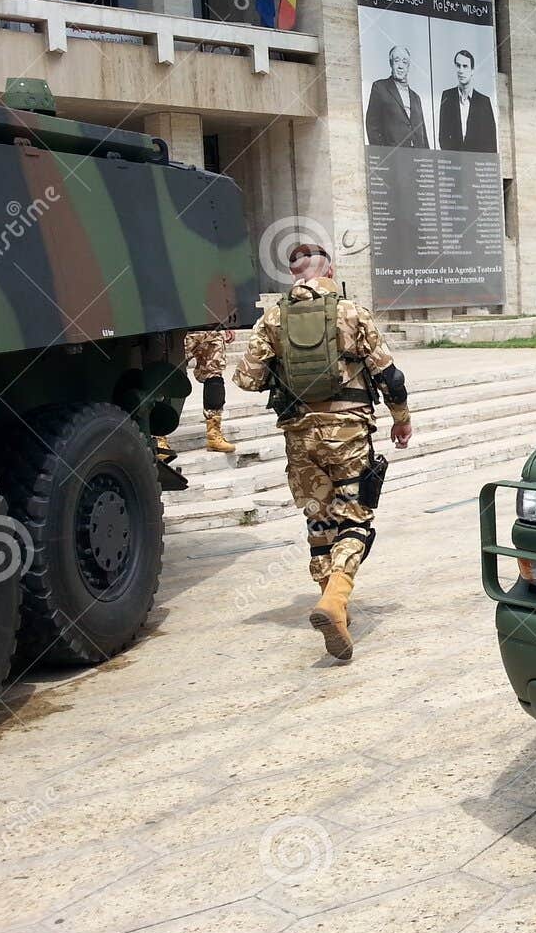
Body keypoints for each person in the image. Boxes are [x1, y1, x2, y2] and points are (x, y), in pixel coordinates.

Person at [232, 244, 414, 661]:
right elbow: (390, 376)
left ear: (293, 275)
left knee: (320, 520)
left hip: (300, 437)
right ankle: (335, 599)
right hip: (347, 432)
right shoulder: (351, 312)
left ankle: (337, 615)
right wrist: (401, 419)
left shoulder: (273, 317)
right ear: (330, 271)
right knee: (355, 520)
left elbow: (246, 379)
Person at [364, 46, 429, 149]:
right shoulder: (380, 87)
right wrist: (383, 154)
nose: (400, 66)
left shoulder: (416, 97)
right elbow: (372, 125)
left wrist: (427, 157)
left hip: (417, 155)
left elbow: (423, 133)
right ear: (391, 63)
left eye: (404, 62)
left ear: (408, 66)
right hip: (393, 154)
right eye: (397, 60)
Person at [183, 328, 237, 453]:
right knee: (169, 374)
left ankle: (213, 435)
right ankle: (159, 435)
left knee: (215, 376)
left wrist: (227, 325)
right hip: (177, 329)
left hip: (210, 328)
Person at [437, 49, 497, 153]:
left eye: (465, 66)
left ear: (472, 70)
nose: (461, 70)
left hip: (477, 160)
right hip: (454, 160)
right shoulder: (447, 96)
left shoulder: (484, 102)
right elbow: (443, 137)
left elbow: (491, 142)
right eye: (458, 66)